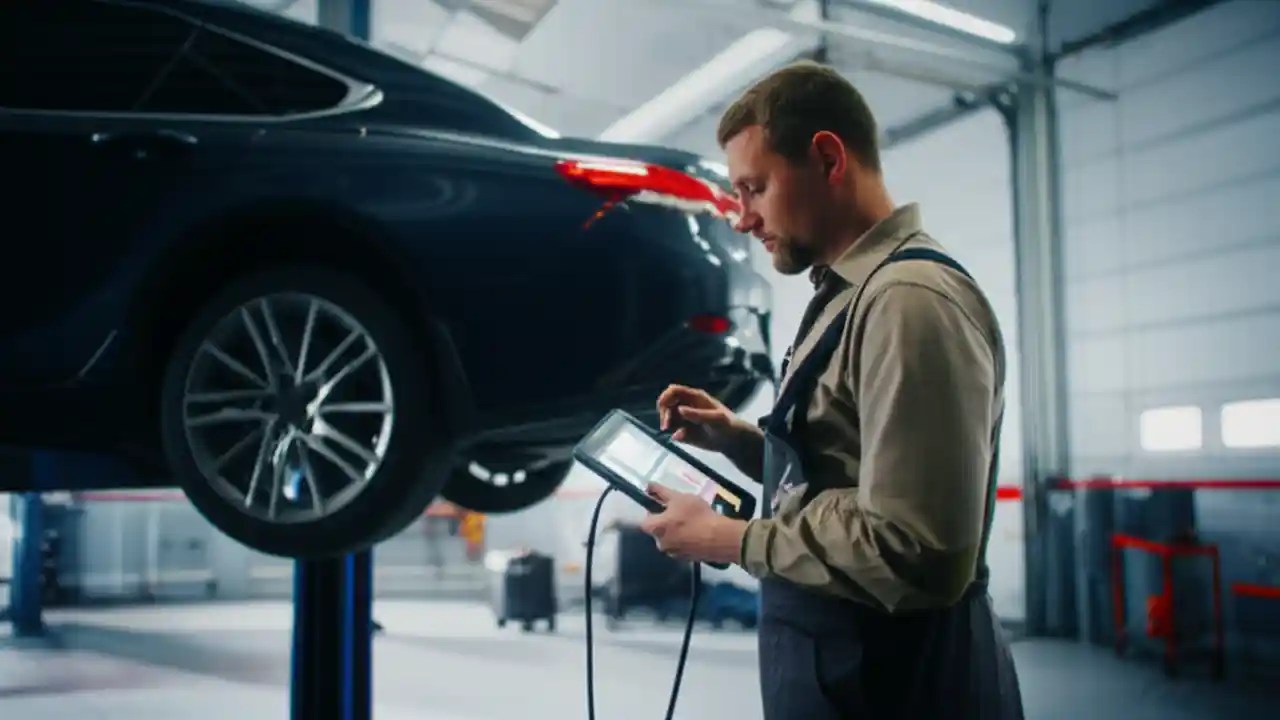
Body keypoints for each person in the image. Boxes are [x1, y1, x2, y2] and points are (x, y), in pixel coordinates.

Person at [639, 61, 1025, 719]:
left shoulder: (909, 303)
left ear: (826, 157)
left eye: (753, 188)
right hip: (851, 676)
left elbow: (916, 548)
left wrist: (728, 538)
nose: (740, 217)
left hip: (904, 686)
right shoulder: (847, 296)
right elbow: (842, 465)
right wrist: (739, 441)